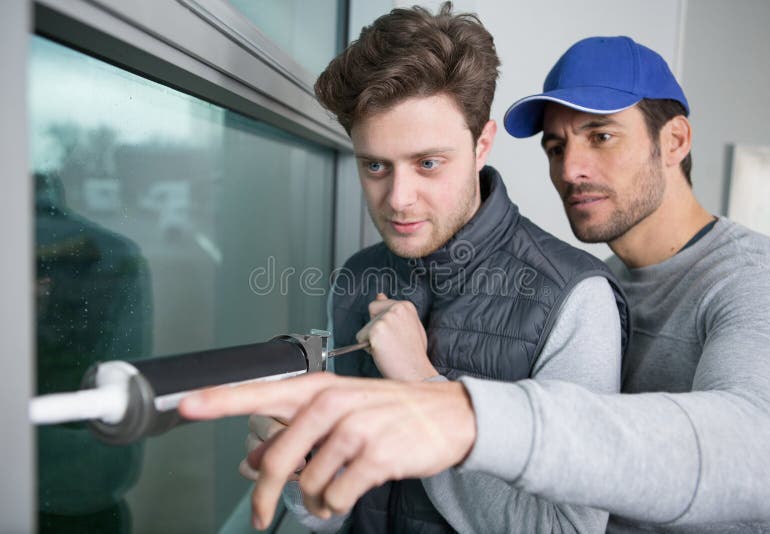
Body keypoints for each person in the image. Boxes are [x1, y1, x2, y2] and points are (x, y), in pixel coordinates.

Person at [181, 30, 770, 534]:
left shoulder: (746, 279)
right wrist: (302, 466)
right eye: (556, 147)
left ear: (676, 141)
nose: (571, 169)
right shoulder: (613, 276)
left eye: (601, 137)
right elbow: (336, 505)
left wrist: (436, 398)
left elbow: (765, 460)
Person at [240, 5, 628, 534]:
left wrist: (423, 387)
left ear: (481, 145)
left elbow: (565, 529)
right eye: (375, 165)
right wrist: (296, 466)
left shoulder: (576, 300)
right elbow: (325, 516)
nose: (398, 199)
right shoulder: (357, 277)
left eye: (427, 163)